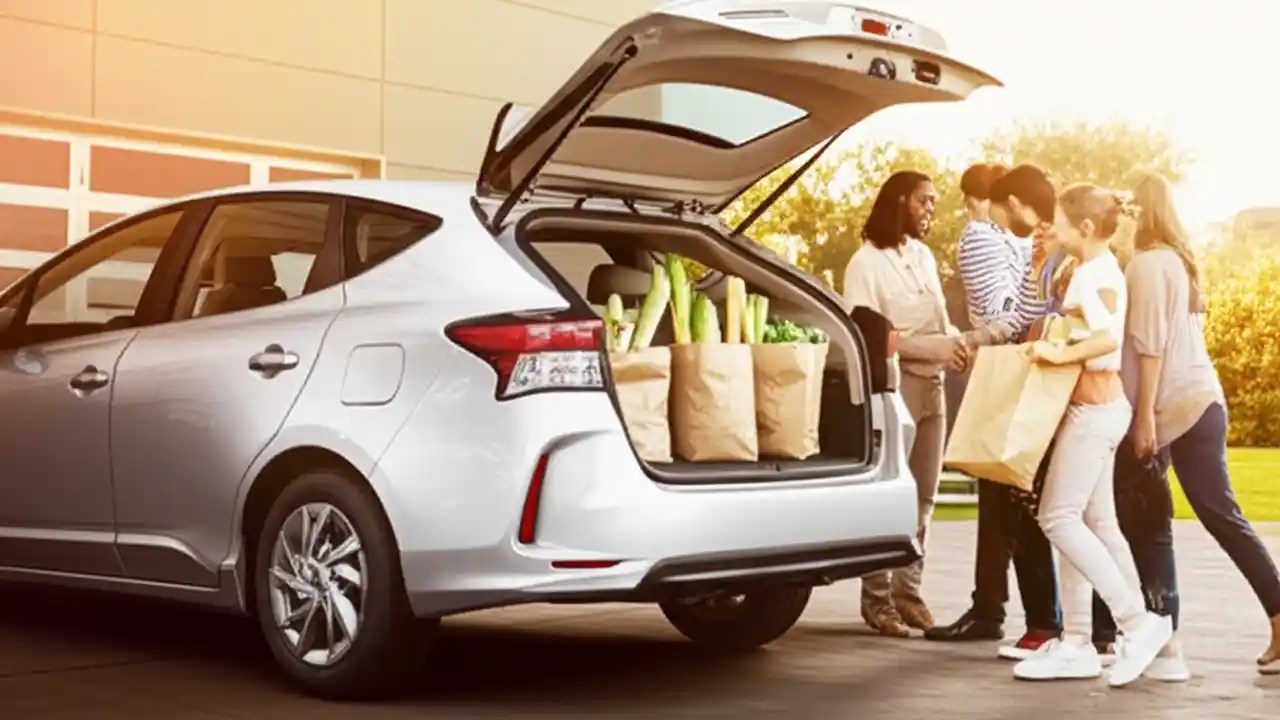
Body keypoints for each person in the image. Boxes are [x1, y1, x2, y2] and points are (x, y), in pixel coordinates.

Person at [1119, 172, 1280, 674]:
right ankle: (1155, 629)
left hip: (1178, 408)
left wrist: (1143, 418)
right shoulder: (1179, 261)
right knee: (1162, 517)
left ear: (1138, 212)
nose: (1119, 218)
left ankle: (1155, 631)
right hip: (1199, 401)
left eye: (1125, 207)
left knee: (1207, 515)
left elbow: (1150, 348)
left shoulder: (1147, 265)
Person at [1015, 183, 1172, 687]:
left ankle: (1136, 622)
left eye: (1059, 221)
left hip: (1094, 415)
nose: (1051, 228)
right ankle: (1080, 642)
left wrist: (1057, 354)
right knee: (1096, 522)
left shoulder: (1090, 274)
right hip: (1102, 411)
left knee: (1057, 517)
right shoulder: (1101, 271)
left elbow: (1105, 338)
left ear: (1082, 228)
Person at [927, 165, 1065, 661]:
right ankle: (995, 610)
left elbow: (1012, 318)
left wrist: (970, 339)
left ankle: (1042, 622)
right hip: (1029, 371)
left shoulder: (1017, 245)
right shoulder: (1031, 247)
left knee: (1019, 496)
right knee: (1002, 493)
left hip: (1018, 374)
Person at [843, 170, 968, 637]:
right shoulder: (865, 263)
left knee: (925, 497)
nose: (930, 209)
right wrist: (928, 348)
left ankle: (908, 593)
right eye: (924, 201)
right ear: (899, 202)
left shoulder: (923, 256)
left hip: (933, 385)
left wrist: (955, 344)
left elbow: (940, 317)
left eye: (933, 201)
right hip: (895, 387)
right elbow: (869, 335)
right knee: (889, 493)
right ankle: (876, 601)